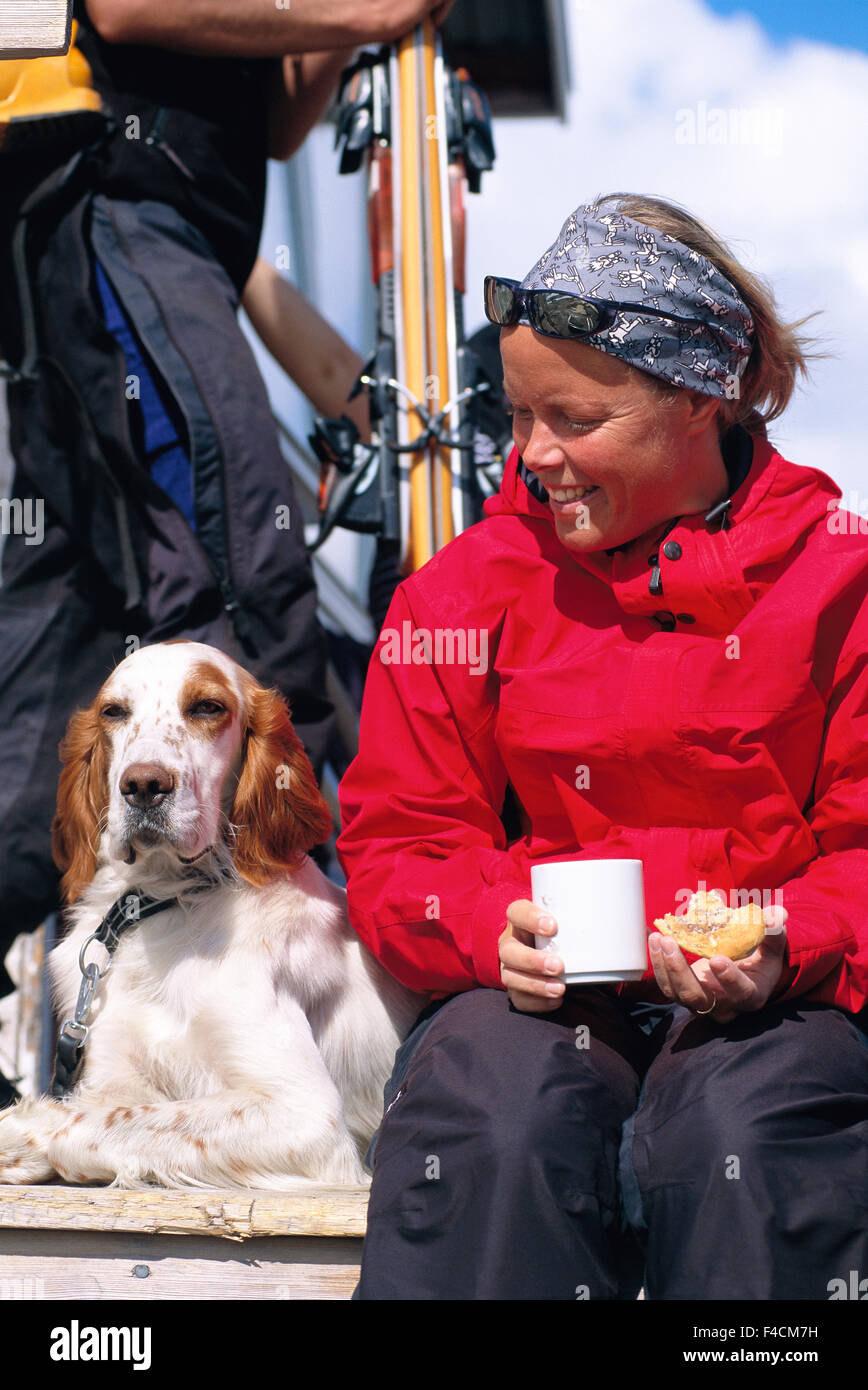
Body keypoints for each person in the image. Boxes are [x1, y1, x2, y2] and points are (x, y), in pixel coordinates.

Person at [336, 192, 868, 1300]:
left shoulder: (841, 580)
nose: (533, 455)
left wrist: (787, 939)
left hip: (782, 1000)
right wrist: (486, 924)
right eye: (522, 414)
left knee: (749, 1138)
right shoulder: (464, 591)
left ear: (698, 397)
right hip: (532, 996)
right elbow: (399, 839)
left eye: (573, 419)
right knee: (493, 1123)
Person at [0, 0, 454, 977]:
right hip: (109, 198)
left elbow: (282, 121)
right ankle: (286, 993)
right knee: (237, 583)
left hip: (131, 229)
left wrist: (352, 19)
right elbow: (117, 12)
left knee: (66, 640)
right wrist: (378, 12)